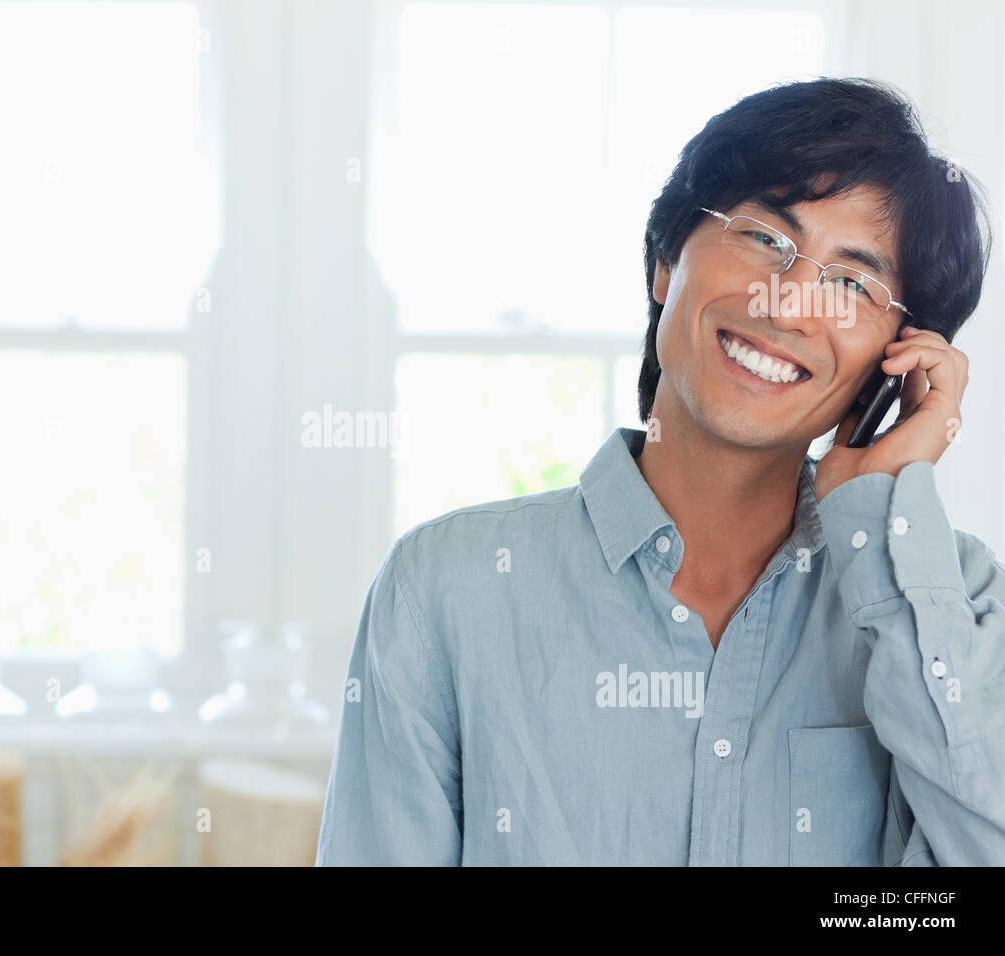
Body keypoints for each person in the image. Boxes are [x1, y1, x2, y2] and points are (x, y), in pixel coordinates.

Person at [314, 77, 1003, 865]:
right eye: (764, 238)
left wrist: (881, 524)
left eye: (853, 283)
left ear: (897, 360)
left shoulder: (956, 603)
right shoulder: (445, 590)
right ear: (666, 263)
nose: (787, 306)